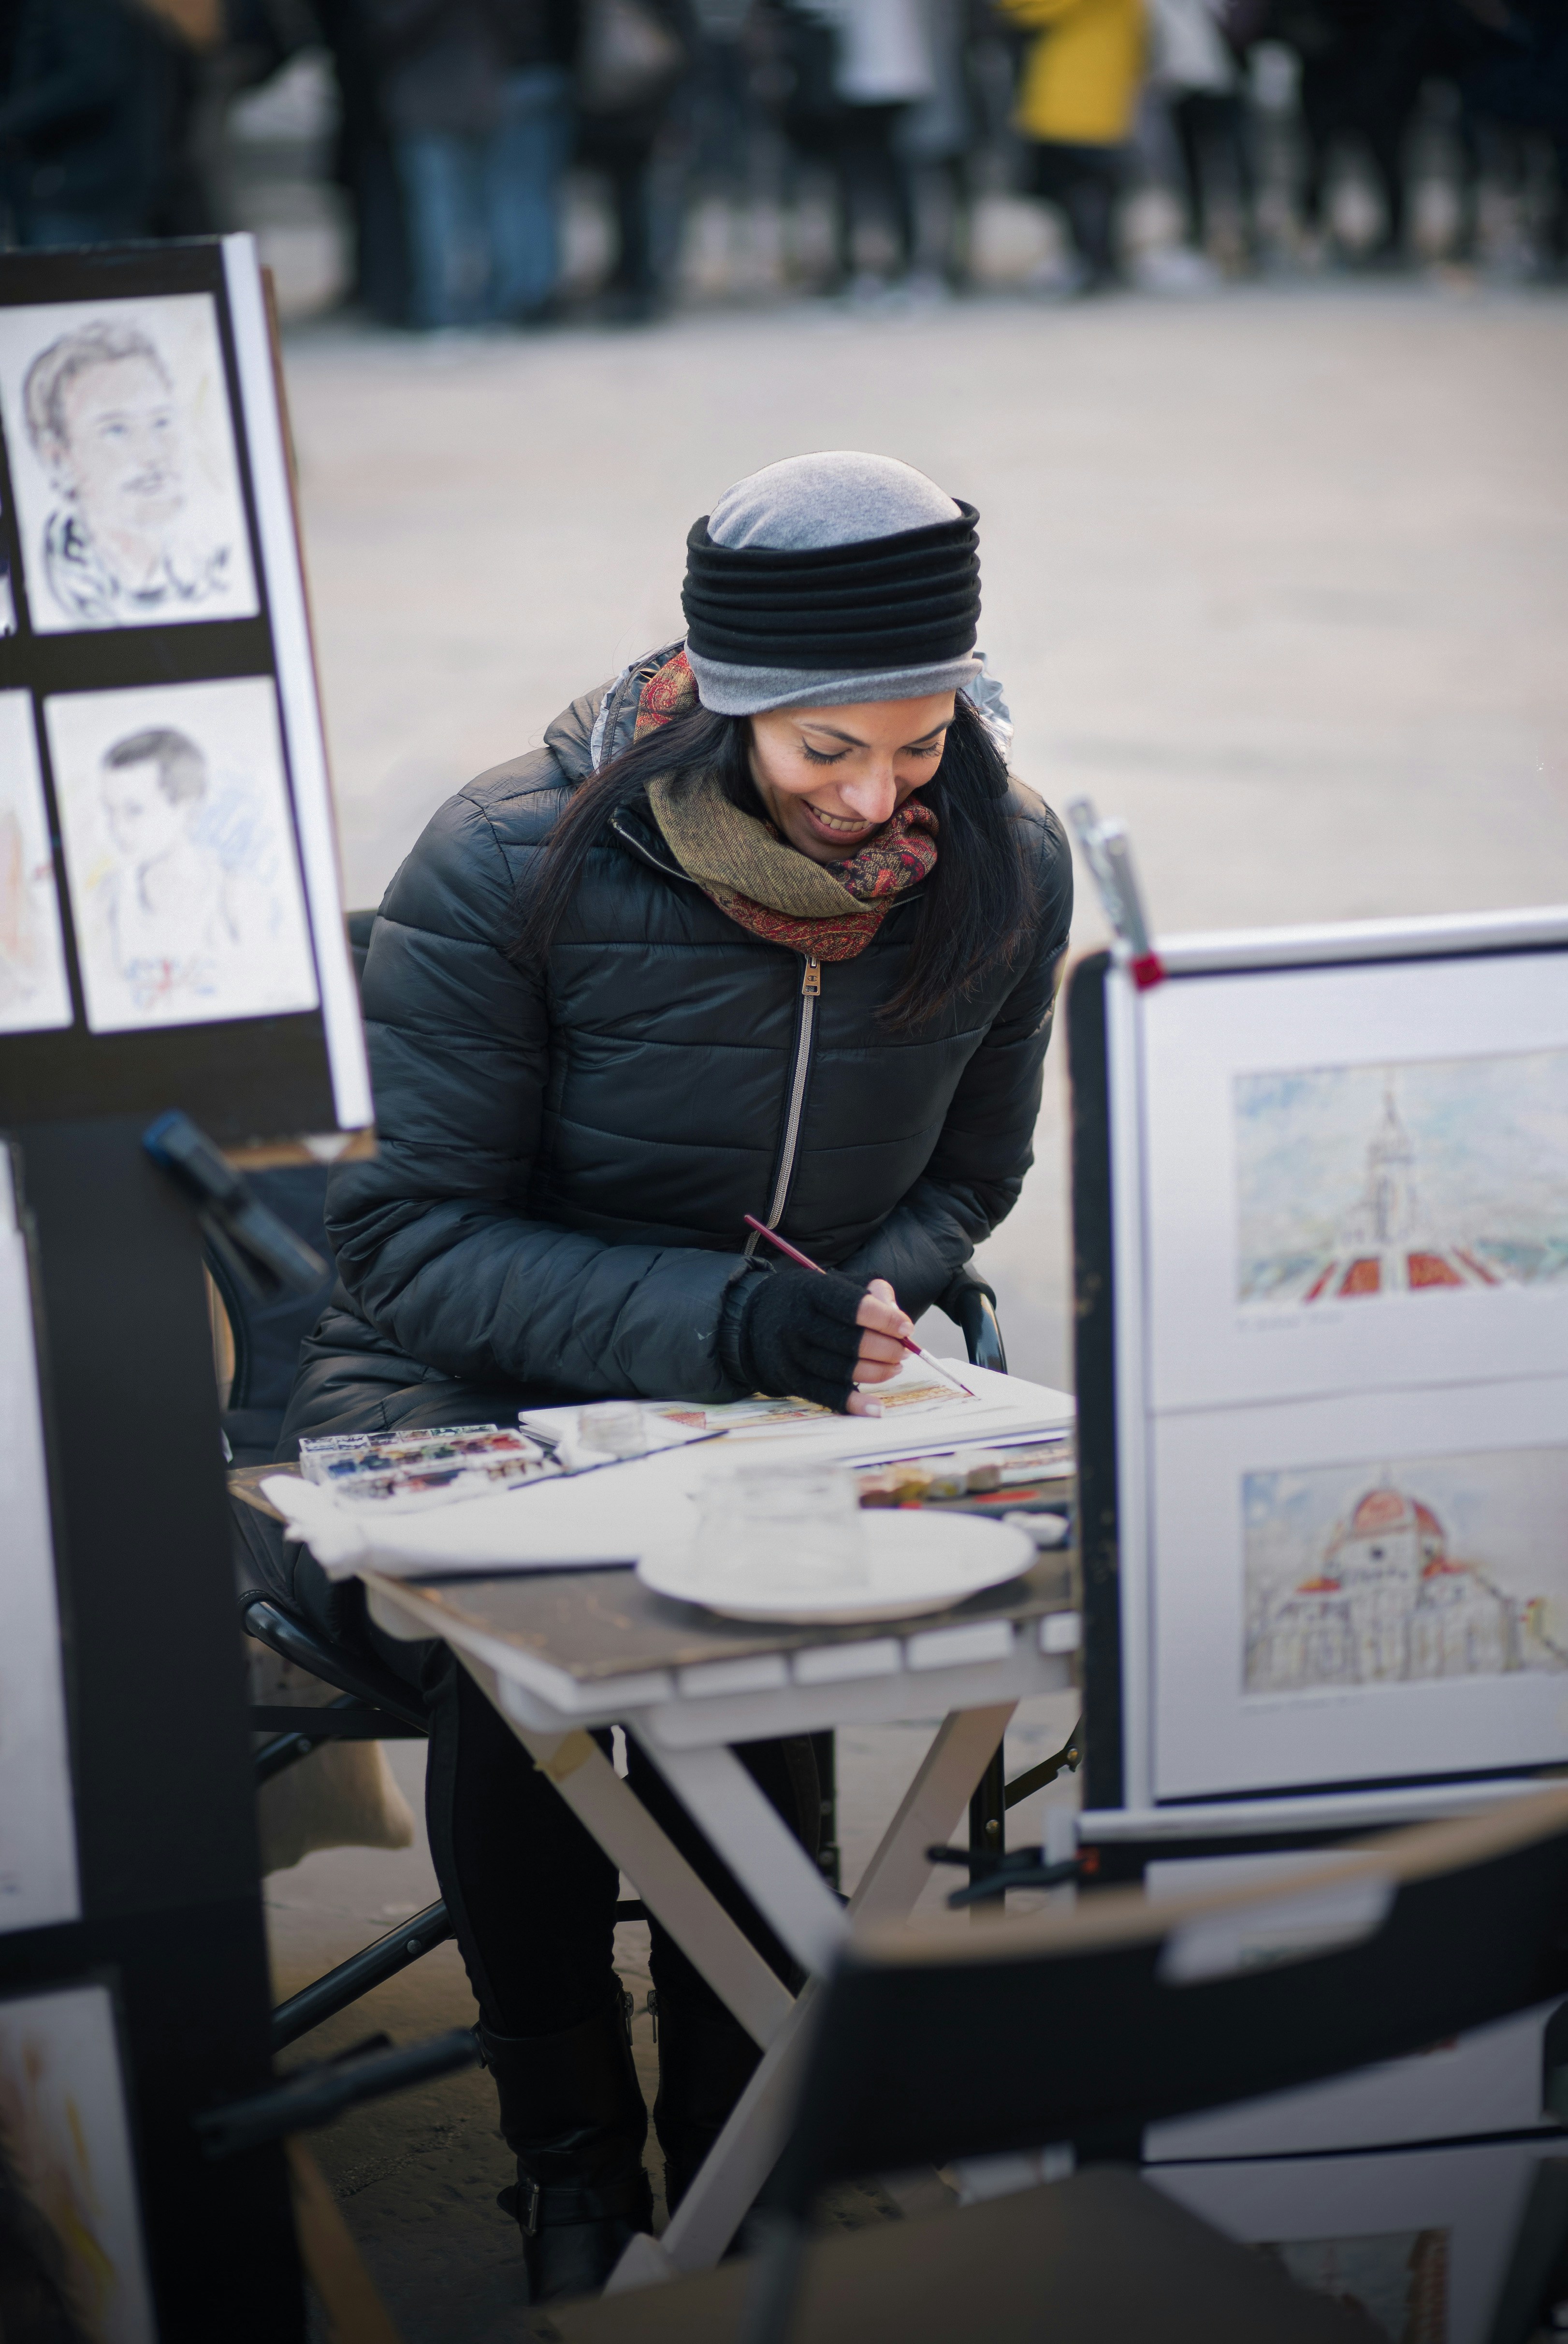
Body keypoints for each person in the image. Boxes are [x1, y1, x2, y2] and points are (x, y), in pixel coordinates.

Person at [272, 450, 1074, 2302]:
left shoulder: (1004, 863)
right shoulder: (505, 858)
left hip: (772, 1387)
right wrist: (733, 1327)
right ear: (725, 716)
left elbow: (970, 1171)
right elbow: (401, 1248)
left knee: (764, 1611)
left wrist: (851, 1307)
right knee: (533, 1653)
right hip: (451, 1383)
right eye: (823, 756)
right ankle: (572, 2164)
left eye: (916, 740)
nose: (878, 798)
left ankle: (733, 2132)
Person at [367, 0, 581, 329]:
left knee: (461, 206)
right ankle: (488, 301)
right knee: (476, 205)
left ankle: (475, 302)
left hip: (460, 91)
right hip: (475, 87)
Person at [22, 321, 238, 626]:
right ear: (58, 459)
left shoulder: (217, 569)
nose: (153, 454)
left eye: (162, 422)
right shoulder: (38, 594)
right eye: (116, 430)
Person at [998, 0, 1147, 291]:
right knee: (1090, 182)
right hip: (1092, 82)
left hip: (1080, 85)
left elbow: (1032, 9)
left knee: (1083, 182)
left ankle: (1094, 265)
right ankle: (1096, 263)